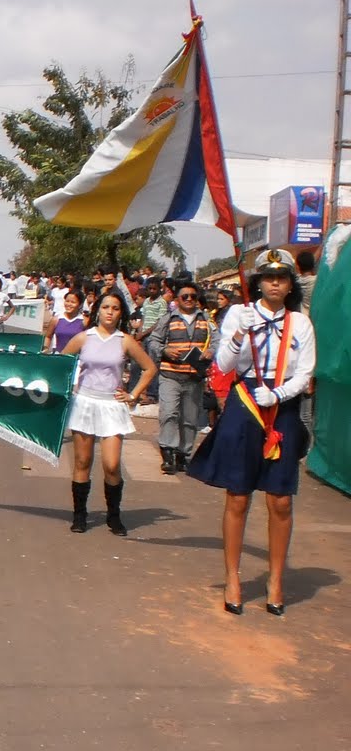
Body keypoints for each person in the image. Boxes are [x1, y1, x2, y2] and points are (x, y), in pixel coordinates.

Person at [187, 249, 317, 616]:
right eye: (268, 276)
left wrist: (279, 393)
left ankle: (276, 579)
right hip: (245, 406)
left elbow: (305, 373)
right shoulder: (238, 314)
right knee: (238, 495)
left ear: (290, 283)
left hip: (283, 406)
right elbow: (224, 365)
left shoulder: (300, 323)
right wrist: (239, 333)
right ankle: (233, 577)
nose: (275, 283)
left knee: (280, 500)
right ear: (258, 281)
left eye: (282, 277)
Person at [59, 292, 158, 535]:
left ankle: (114, 515)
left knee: (111, 465)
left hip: (112, 405)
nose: (110, 312)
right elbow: (61, 364)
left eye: (115, 308)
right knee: (83, 461)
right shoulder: (83, 338)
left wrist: (133, 395)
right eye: (105, 307)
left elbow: (149, 368)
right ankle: (80, 515)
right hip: (85, 402)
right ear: (97, 311)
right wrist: (69, 387)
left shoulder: (125, 340)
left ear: (120, 312)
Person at [145, 282, 213, 474]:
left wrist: (211, 351)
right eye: (185, 296)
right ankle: (167, 453)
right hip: (170, 375)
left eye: (193, 296)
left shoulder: (207, 320)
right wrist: (164, 350)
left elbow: (218, 340)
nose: (189, 299)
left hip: (194, 377)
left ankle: (184, 454)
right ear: (177, 299)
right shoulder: (167, 319)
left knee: (190, 419)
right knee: (168, 414)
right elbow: (154, 340)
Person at [44, 286, 88, 354]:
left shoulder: (85, 321)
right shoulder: (56, 319)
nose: (69, 304)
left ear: (80, 304)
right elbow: (48, 336)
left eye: (73, 302)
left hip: (77, 359)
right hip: (58, 356)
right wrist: (46, 349)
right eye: (67, 301)